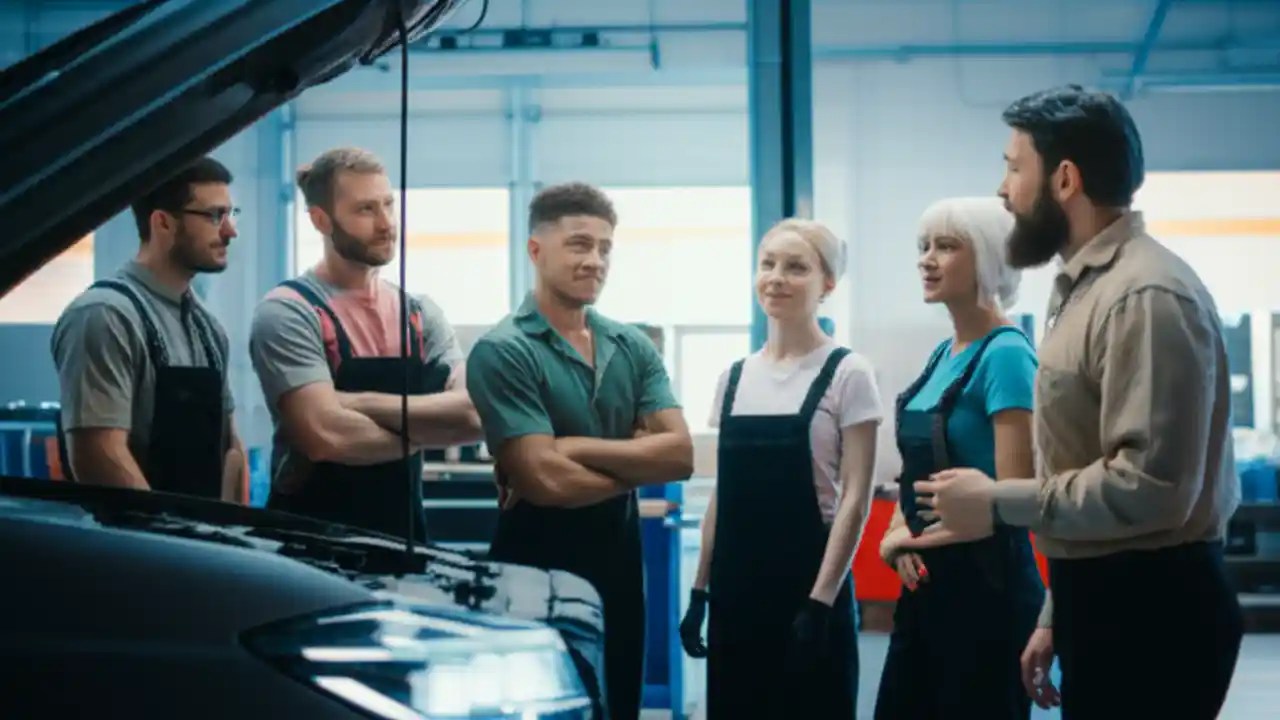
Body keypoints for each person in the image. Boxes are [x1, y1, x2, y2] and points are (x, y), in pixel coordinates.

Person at [915, 85, 1243, 719]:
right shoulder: (1084, 290)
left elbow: (1151, 488)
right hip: (1106, 597)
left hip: (1154, 614)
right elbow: (1089, 464)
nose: (1004, 190)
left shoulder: (1144, 295)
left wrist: (997, 500)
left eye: (1015, 168)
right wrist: (1056, 610)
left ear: (1064, 179)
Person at [465, 182, 694, 720]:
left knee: (619, 706)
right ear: (536, 250)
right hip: (534, 574)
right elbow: (545, 482)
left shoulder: (631, 345)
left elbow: (681, 455)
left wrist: (572, 447)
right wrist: (636, 459)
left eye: (605, 248)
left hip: (619, 570)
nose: (595, 260)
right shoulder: (504, 350)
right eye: (579, 244)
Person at [678, 218, 881, 719]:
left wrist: (821, 602)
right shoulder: (733, 378)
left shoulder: (848, 373)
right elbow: (724, 494)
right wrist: (700, 590)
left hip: (809, 591)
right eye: (767, 264)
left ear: (827, 283)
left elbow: (855, 499)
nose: (776, 278)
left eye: (796, 267)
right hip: (736, 596)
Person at [249, 147, 482, 541]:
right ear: (321, 220)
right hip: (308, 547)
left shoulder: (419, 315)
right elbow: (328, 437)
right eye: (365, 210)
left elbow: (473, 416)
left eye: (388, 204)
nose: (386, 223)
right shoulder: (289, 312)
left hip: (404, 541)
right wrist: (432, 430)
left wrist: (353, 402)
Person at [872, 197, 1045, 719]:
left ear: (989, 259)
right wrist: (896, 539)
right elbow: (914, 474)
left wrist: (907, 540)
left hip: (987, 592)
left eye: (946, 247)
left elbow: (1015, 497)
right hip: (927, 589)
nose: (926, 259)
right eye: (923, 246)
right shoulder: (941, 355)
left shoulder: (1006, 354)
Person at [51, 156, 244, 502]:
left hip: (203, 532)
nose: (230, 231)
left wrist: (230, 528)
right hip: (134, 535)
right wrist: (167, 530)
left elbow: (229, 446)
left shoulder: (208, 328)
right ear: (163, 223)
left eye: (231, 214)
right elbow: (98, 454)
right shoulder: (105, 316)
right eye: (215, 216)